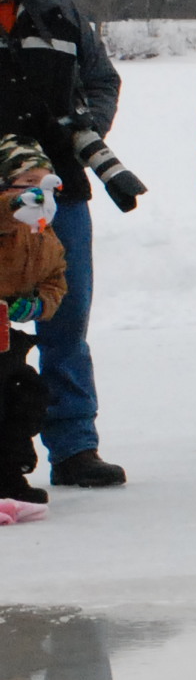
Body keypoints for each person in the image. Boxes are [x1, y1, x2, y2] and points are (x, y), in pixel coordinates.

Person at [0, 0, 127, 490]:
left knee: (65, 319)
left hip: (63, 197)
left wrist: (83, 134)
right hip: (2, 199)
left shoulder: (60, 13)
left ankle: (75, 445)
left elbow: (102, 79)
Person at [0, 137, 68, 513]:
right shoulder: (10, 216)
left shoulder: (43, 232)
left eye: (45, 184)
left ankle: (9, 475)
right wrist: (13, 204)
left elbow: (56, 277)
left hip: (7, 336)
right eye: (27, 184)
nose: (38, 194)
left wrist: (38, 304)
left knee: (26, 396)